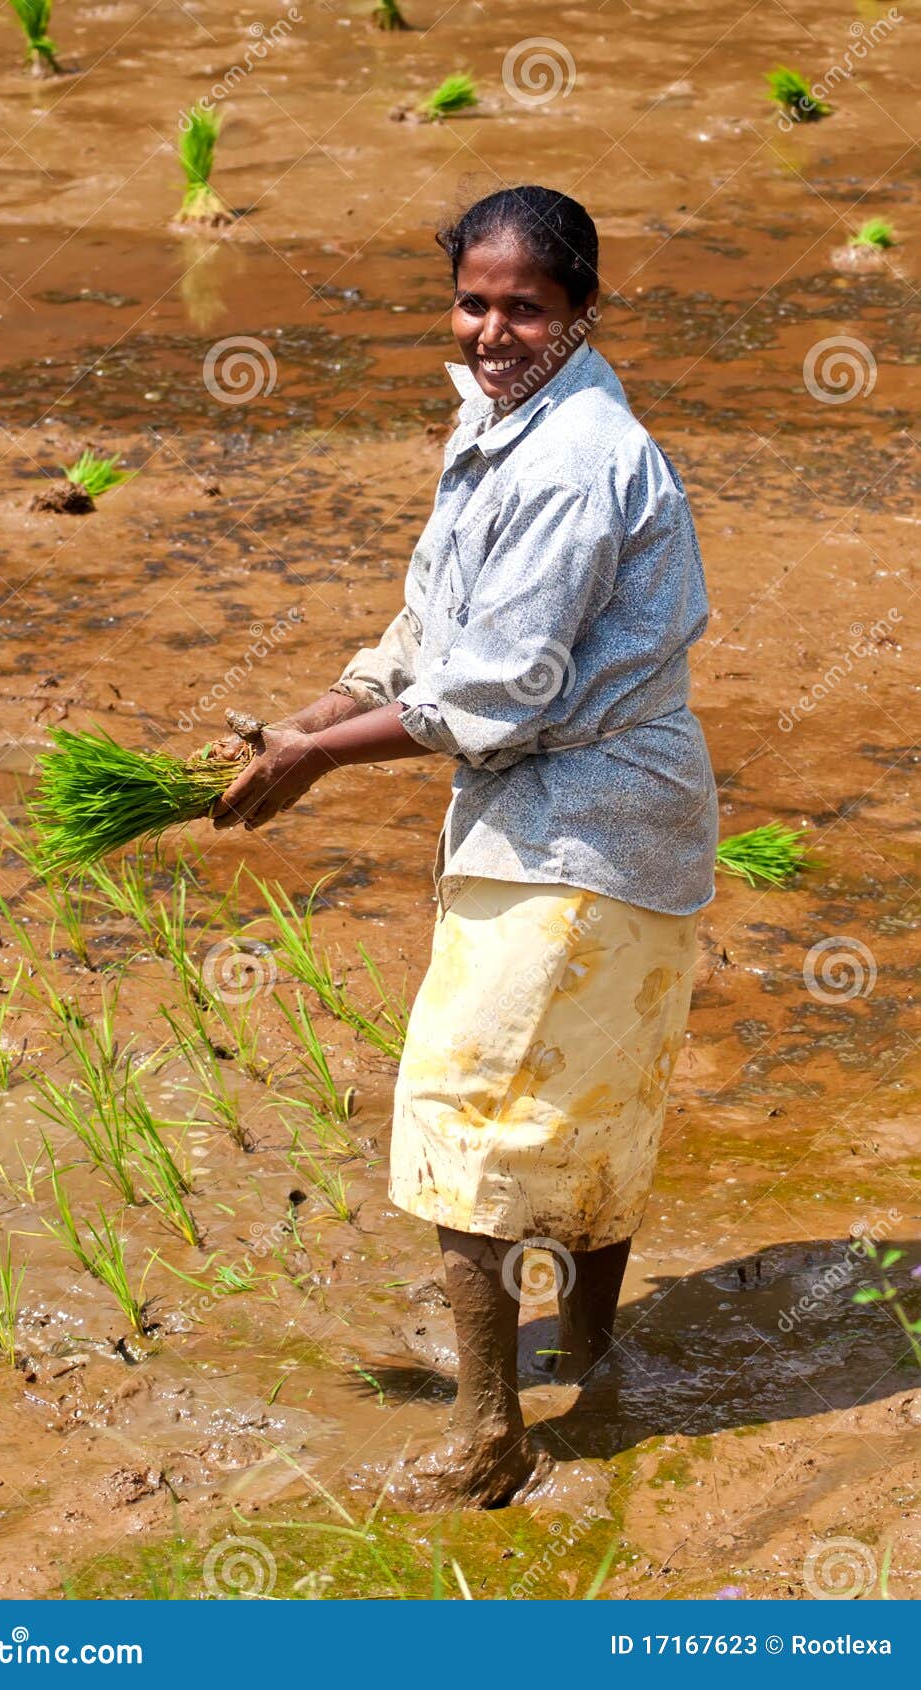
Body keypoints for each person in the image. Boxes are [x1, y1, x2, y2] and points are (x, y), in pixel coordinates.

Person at [210, 185, 718, 1508]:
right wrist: (324, 707)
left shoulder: (572, 458)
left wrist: (322, 757)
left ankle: (490, 1434)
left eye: (525, 308)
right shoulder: (502, 420)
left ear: (583, 309)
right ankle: (593, 1357)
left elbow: (502, 688)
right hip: (604, 829)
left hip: (579, 830)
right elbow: (434, 621)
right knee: (592, 1101)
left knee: (468, 1110)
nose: (493, 331)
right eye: (473, 302)